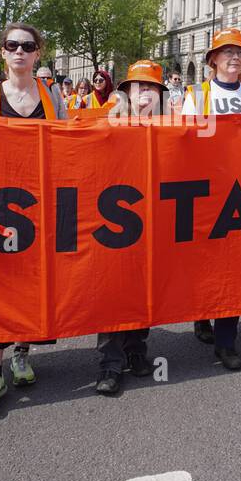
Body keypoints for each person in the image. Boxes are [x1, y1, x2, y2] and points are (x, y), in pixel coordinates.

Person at [0, 23, 69, 411]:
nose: (19, 51)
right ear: (2, 52)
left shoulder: (52, 95)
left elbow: (65, 147)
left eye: (27, 46)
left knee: (31, 283)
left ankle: (22, 352)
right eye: (12, 45)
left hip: (38, 206)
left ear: (38, 53)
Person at [180, 27, 241, 369]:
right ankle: (202, 313)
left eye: (240, 53)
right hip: (204, 190)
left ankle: (226, 342)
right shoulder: (196, 94)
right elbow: (183, 142)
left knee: (234, 266)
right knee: (204, 262)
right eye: (227, 53)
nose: (234, 58)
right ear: (213, 60)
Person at [95, 59, 168, 395]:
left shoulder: (171, 127)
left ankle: (137, 351)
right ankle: (109, 364)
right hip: (113, 225)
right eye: (138, 87)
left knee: (143, 289)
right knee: (111, 294)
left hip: (153, 223)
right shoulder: (107, 126)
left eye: (151, 87)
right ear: (126, 93)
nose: (144, 94)